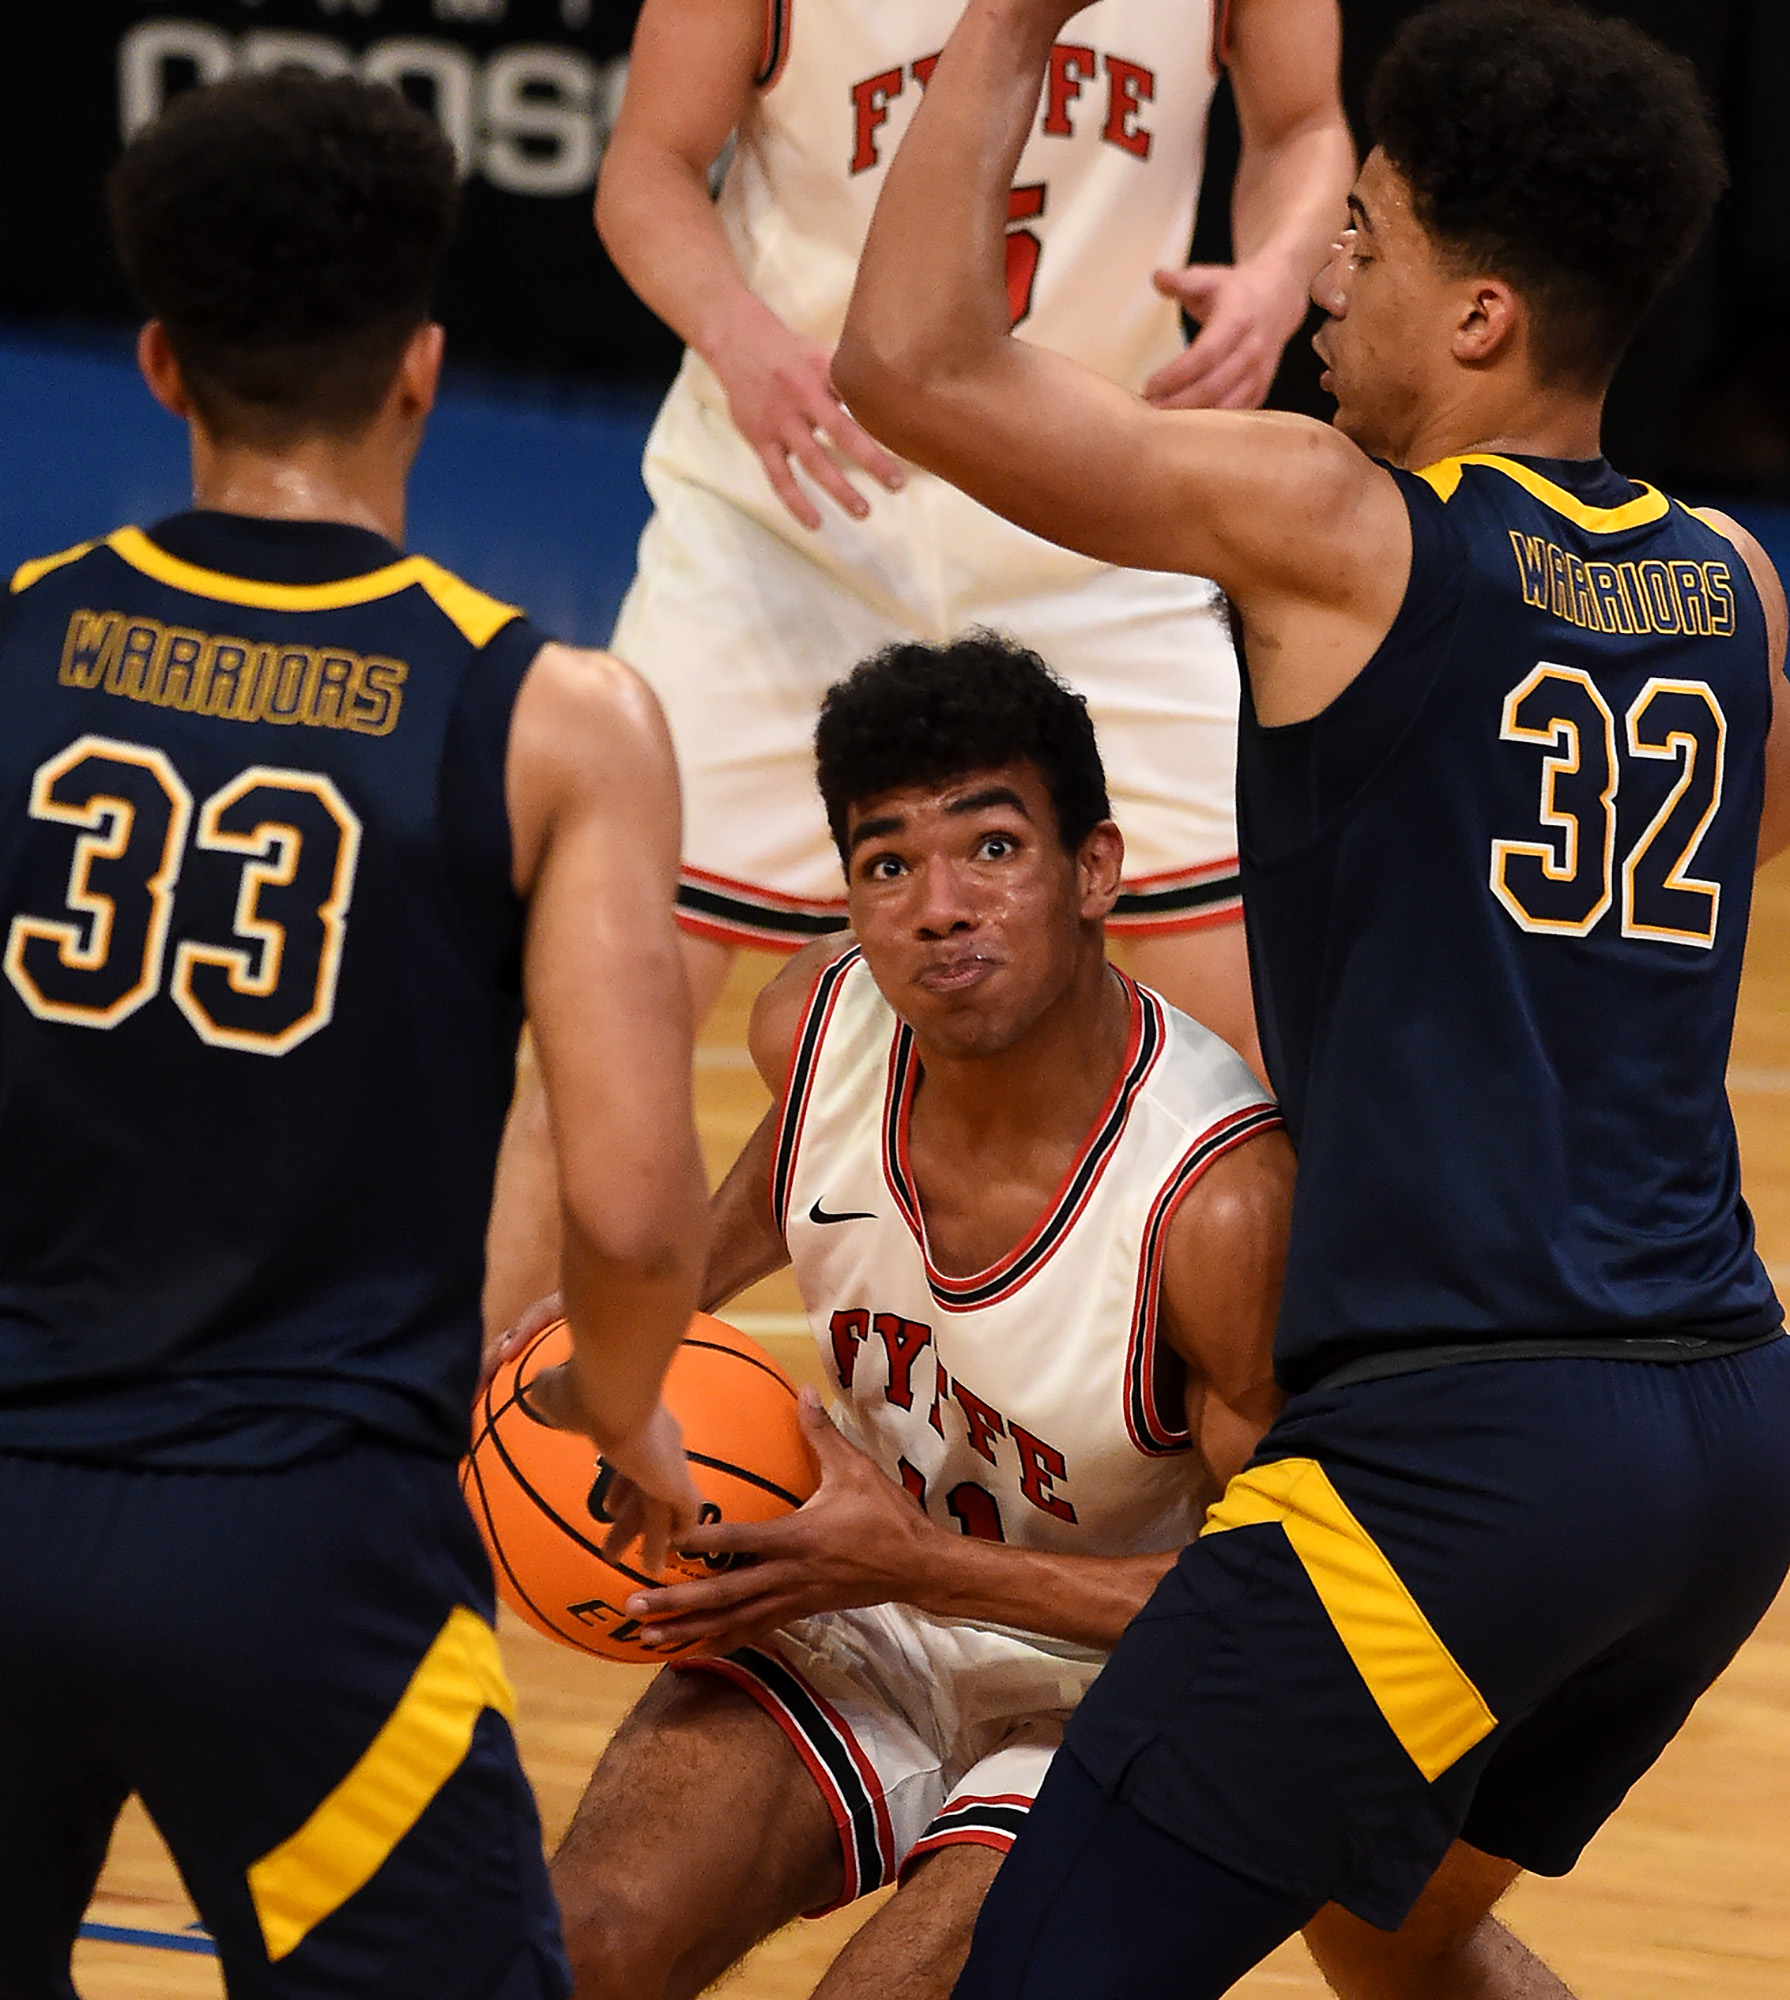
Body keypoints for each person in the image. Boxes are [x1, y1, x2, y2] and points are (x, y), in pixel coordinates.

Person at [830, 1, 1790, 1994]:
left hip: (1462, 1459)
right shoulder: (1728, 577)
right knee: (1394, 1938)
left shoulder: (1342, 525)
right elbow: (1730, 849)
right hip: (1719, 1441)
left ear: (1481, 316)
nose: (1326, 277)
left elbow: (910, 362)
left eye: (1367, 237)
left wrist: (1011, 21)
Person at [536, 637, 1586, 2000]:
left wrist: (923, 1564)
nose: (937, 909)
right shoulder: (818, 1027)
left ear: (1095, 870)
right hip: (866, 1600)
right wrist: (607, 1343)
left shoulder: (1217, 1206)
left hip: (1124, 1679)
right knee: (586, 1944)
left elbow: (1281, 1611)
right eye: (886, 864)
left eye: (991, 849)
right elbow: (770, 1187)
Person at [0, 73, 707, 2000]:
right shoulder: (553, 719)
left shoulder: (16, 636)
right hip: (301, 1561)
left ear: (159, 361)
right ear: (423, 365)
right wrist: (624, 1405)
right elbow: (633, 1208)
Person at [591, 0, 1354, 1051]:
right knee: (607, 1042)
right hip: (791, 514)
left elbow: (1302, 124)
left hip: (1103, 519)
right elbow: (648, 165)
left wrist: (1274, 279)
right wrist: (735, 334)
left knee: (1270, 1044)